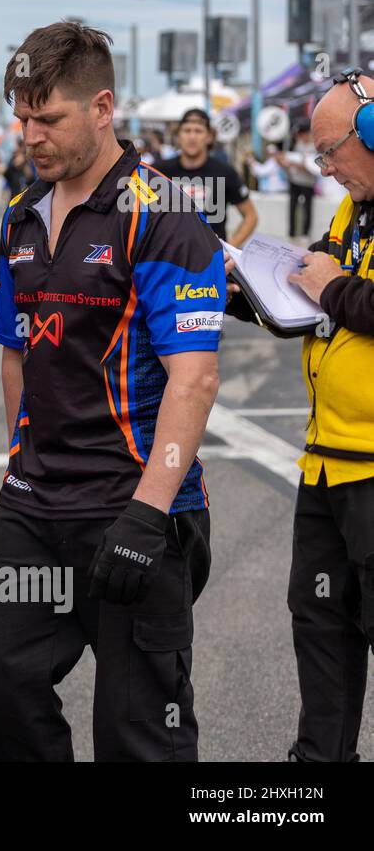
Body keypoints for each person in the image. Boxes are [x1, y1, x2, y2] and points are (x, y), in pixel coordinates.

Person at [0, 21, 224, 761]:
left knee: (139, 726)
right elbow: (15, 355)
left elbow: (194, 377)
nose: (30, 135)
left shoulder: (165, 215)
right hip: (35, 503)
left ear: (103, 107)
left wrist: (148, 513)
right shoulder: (21, 217)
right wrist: (22, 459)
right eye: (21, 118)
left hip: (133, 505)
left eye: (48, 118)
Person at [246, 70, 374, 762]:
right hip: (328, 460)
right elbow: (322, 275)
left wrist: (335, 288)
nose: (324, 168)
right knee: (320, 621)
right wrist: (259, 282)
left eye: (331, 153)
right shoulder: (355, 209)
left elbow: (345, 292)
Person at [153, 108, 260, 247]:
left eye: (198, 131)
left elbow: (251, 216)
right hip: (169, 258)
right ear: (178, 136)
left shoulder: (225, 172)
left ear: (209, 136)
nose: (192, 137)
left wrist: (228, 248)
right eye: (187, 130)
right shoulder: (158, 170)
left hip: (211, 260)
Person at [281, 123, 322, 244]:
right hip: (295, 181)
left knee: (307, 209)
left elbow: (315, 166)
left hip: (308, 182)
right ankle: (292, 233)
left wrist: (302, 165)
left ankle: (305, 233)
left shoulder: (314, 147)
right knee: (292, 207)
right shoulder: (296, 145)